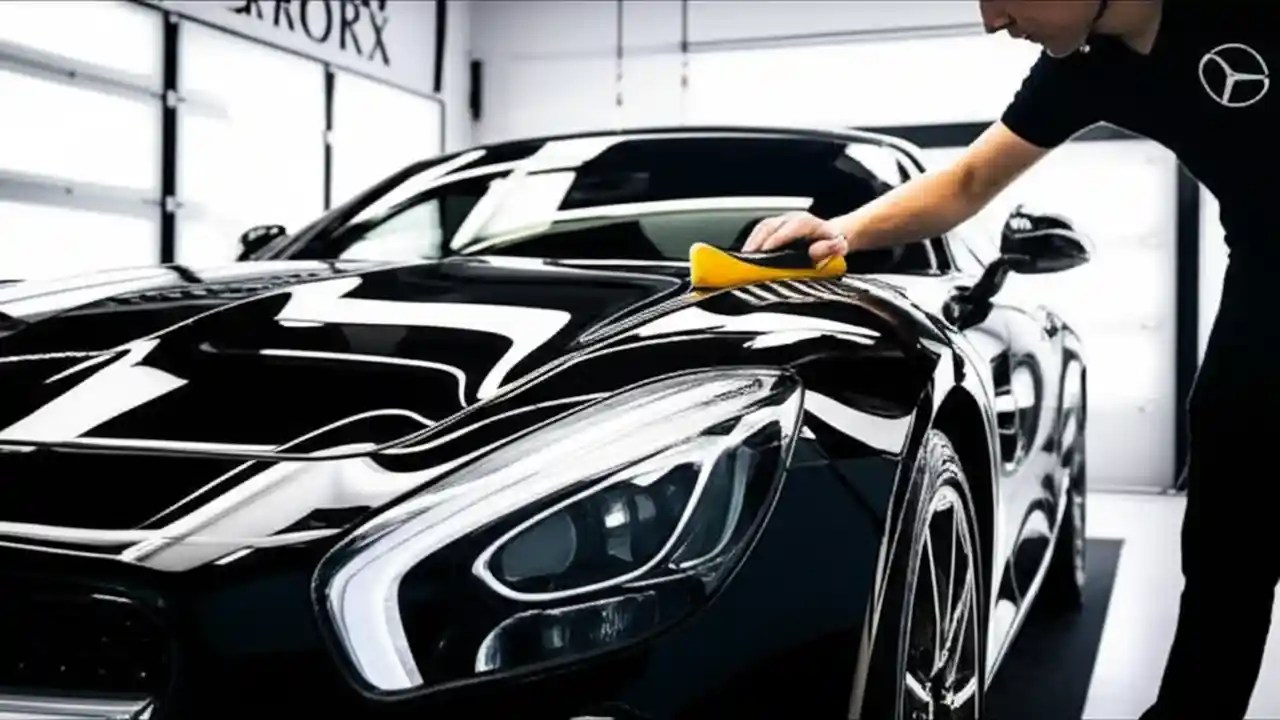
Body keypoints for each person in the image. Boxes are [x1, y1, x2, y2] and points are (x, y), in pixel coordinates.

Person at [745, 1, 1280, 718]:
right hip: (1267, 279)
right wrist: (838, 232)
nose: (993, 21)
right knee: (1227, 533)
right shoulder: (1084, 70)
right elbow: (967, 182)